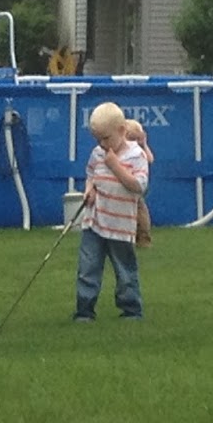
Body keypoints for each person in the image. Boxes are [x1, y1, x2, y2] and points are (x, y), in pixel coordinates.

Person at [73, 102, 149, 321]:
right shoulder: (97, 153)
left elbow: (139, 186)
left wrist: (115, 165)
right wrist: (89, 191)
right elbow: (91, 175)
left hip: (121, 224)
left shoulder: (137, 155)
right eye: (98, 139)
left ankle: (131, 309)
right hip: (95, 220)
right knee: (88, 268)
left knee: (125, 269)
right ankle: (84, 310)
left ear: (122, 131)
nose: (102, 144)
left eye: (106, 139)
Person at [123, 118, 155, 249]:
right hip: (136, 185)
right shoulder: (139, 151)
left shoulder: (132, 151)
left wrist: (143, 145)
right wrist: (144, 144)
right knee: (140, 211)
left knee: (139, 211)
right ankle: (141, 238)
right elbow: (150, 159)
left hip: (132, 186)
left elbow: (150, 159)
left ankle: (142, 238)